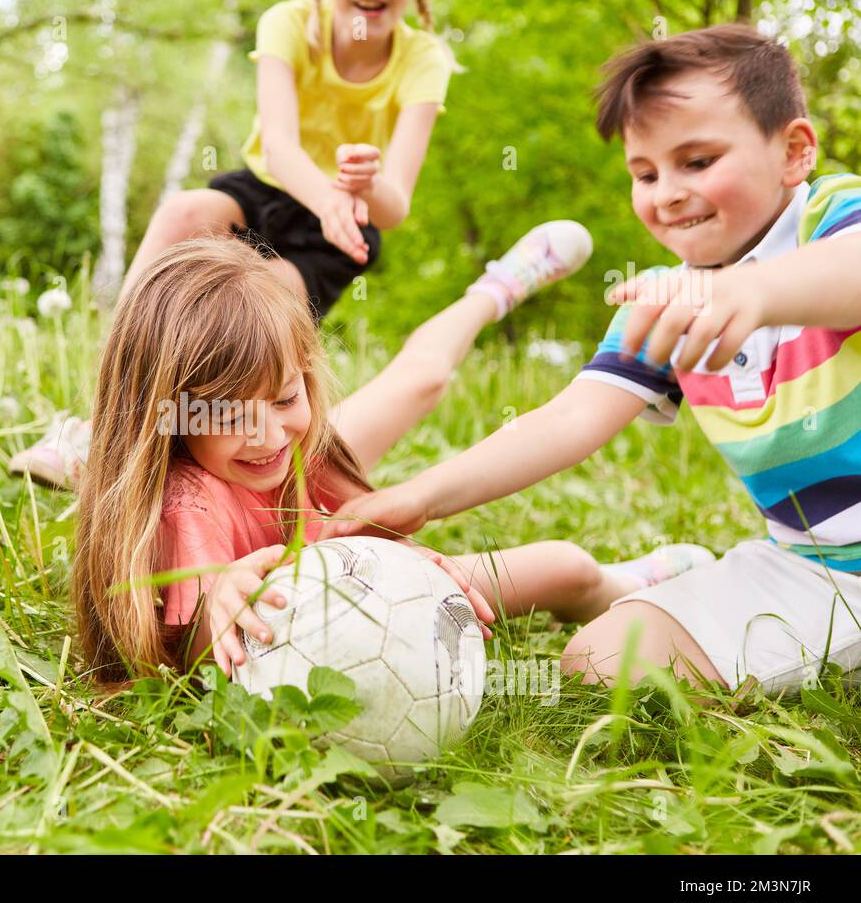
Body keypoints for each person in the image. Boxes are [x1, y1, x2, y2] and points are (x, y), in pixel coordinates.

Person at [320, 25, 861, 695]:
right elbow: (570, 419)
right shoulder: (661, 303)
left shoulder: (836, 221)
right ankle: (673, 579)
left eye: (697, 162)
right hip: (815, 570)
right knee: (600, 662)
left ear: (794, 152)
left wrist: (749, 290)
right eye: (646, 173)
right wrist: (423, 497)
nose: (666, 193)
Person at [73, 238, 712, 684]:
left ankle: (499, 286)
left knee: (421, 379)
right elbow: (195, 635)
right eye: (232, 413)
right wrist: (220, 605)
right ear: (170, 415)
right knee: (566, 567)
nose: (268, 432)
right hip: (338, 608)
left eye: (286, 395)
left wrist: (410, 562)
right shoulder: (191, 502)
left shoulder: (277, 442)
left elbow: (285, 455)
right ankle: (632, 583)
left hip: (313, 507)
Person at [12, 0, 456, 489]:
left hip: (340, 226)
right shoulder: (286, 23)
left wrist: (364, 183)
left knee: (260, 301)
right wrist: (325, 195)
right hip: (271, 187)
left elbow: (395, 203)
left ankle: (220, 457)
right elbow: (280, 146)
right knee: (185, 211)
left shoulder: (425, 58)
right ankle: (101, 428)